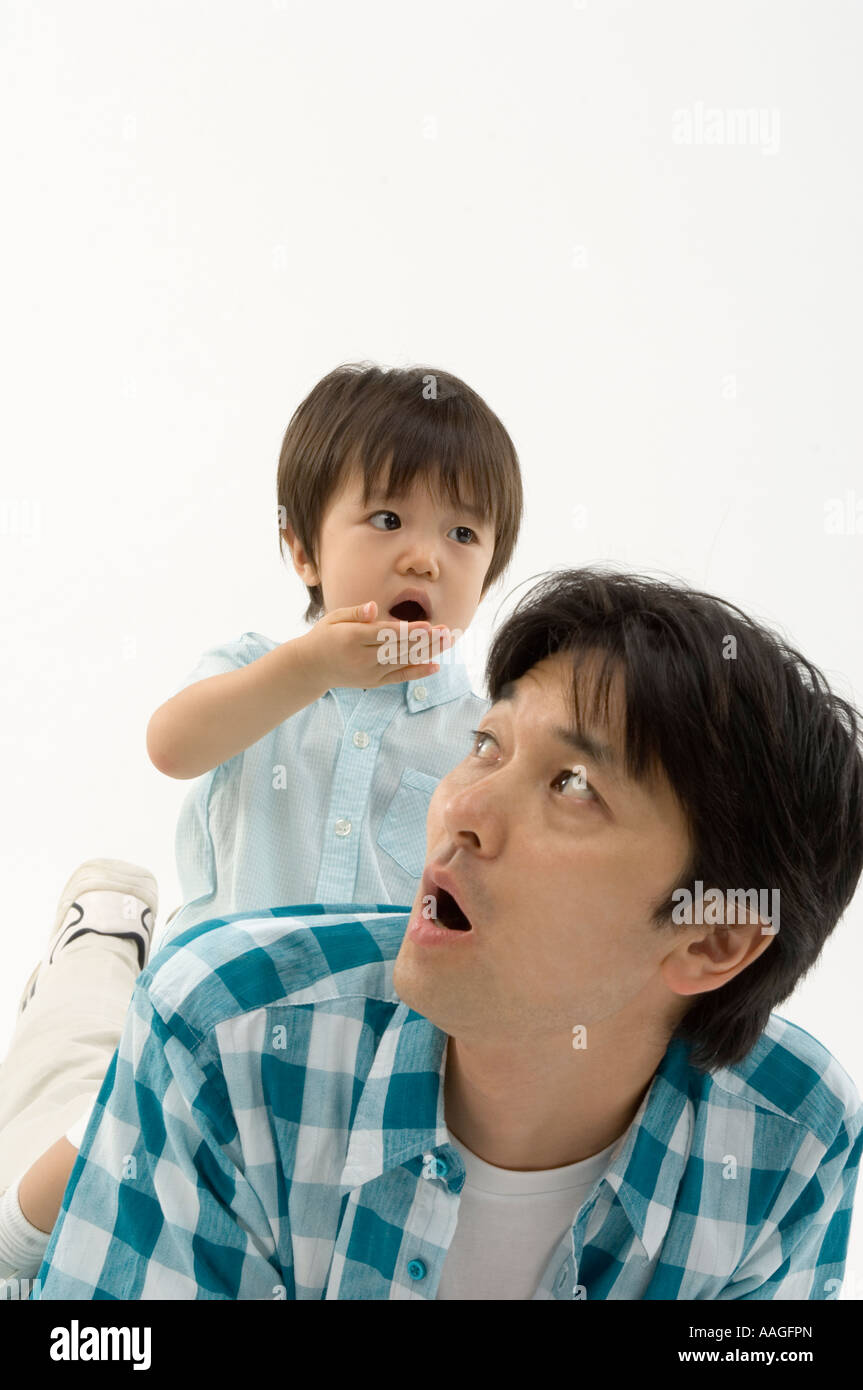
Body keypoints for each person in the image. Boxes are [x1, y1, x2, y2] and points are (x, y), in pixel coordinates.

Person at [32, 568, 863, 1300]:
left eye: (571, 785)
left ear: (711, 940)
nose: (459, 809)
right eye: (484, 747)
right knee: (59, 1095)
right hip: (63, 1194)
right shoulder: (220, 1026)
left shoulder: (793, 1143)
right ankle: (97, 945)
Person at [0, 361, 523, 1283]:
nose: (423, 557)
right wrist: (309, 668)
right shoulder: (258, 670)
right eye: (387, 519)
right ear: (302, 552)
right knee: (63, 1193)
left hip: (357, 1060)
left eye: (463, 533)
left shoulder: (475, 733)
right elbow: (172, 744)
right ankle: (94, 961)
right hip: (203, 1030)